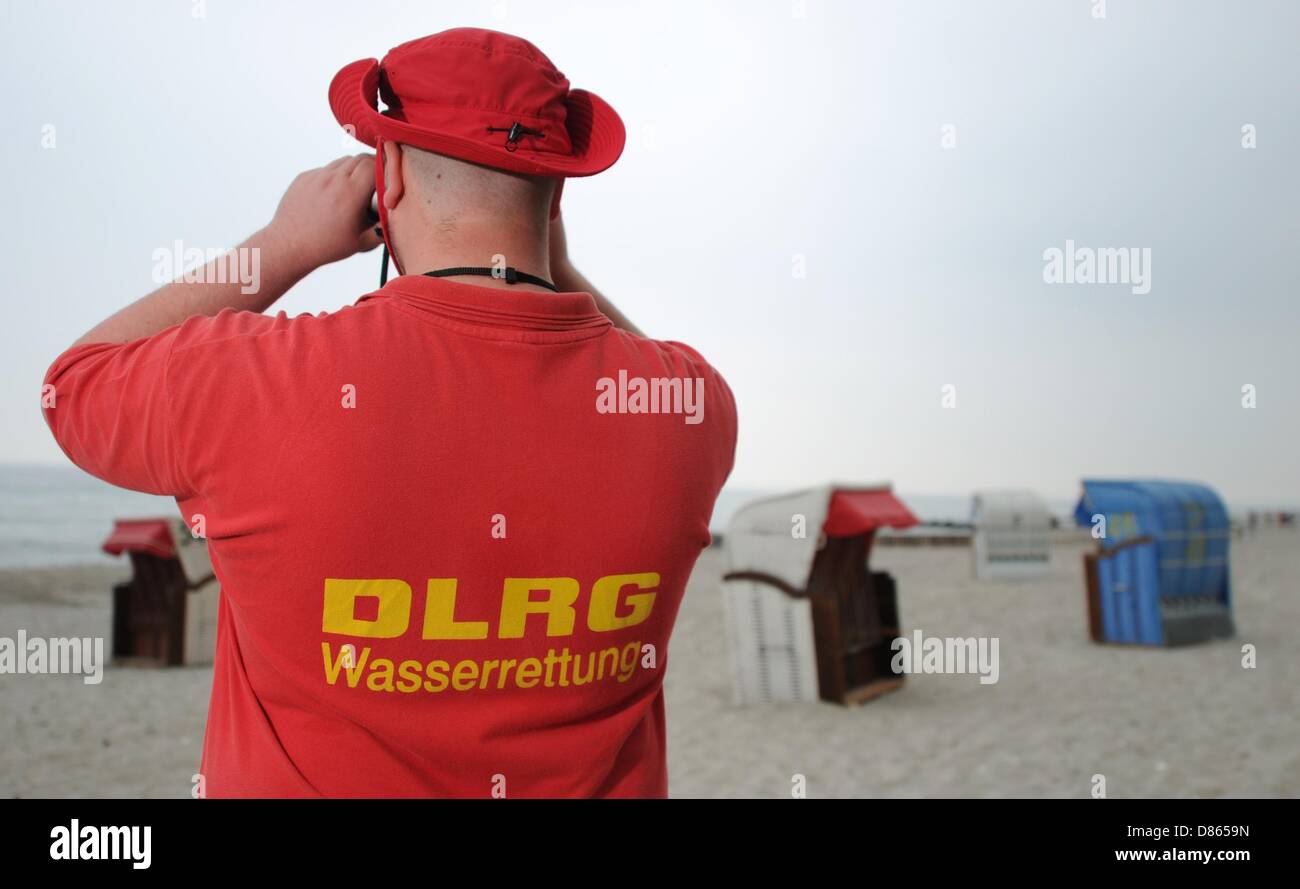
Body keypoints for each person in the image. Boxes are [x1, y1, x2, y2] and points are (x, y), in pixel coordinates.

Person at [41, 28, 737, 798]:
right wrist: (556, 266)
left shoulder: (255, 385)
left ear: (390, 175)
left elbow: (72, 385)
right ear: (558, 194)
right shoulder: (691, 413)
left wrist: (283, 245)